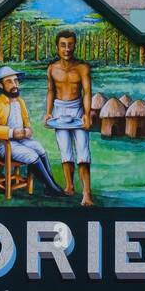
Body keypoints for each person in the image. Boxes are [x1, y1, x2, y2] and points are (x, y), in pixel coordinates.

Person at [0, 65, 63, 196]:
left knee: (39, 148)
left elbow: (26, 121)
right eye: (9, 82)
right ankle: (52, 188)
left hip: (22, 140)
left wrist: (28, 130)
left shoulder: (20, 102)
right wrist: (11, 132)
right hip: (4, 145)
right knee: (31, 155)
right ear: (1, 86)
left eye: (16, 81)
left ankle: (49, 186)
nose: (15, 84)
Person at [45, 30, 93, 206]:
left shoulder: (82, 68)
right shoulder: (52, 69)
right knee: (65, 151)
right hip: (59, 111)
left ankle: (87, 193)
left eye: (70, 45)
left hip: (77, 109)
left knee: (83, 152)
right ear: (57, 47)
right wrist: (48, 112)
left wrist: (87, 114)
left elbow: (87, 92)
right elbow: (50, 91)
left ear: (75, 45)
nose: (67, 49)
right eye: (63, 45)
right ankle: (69, 186)